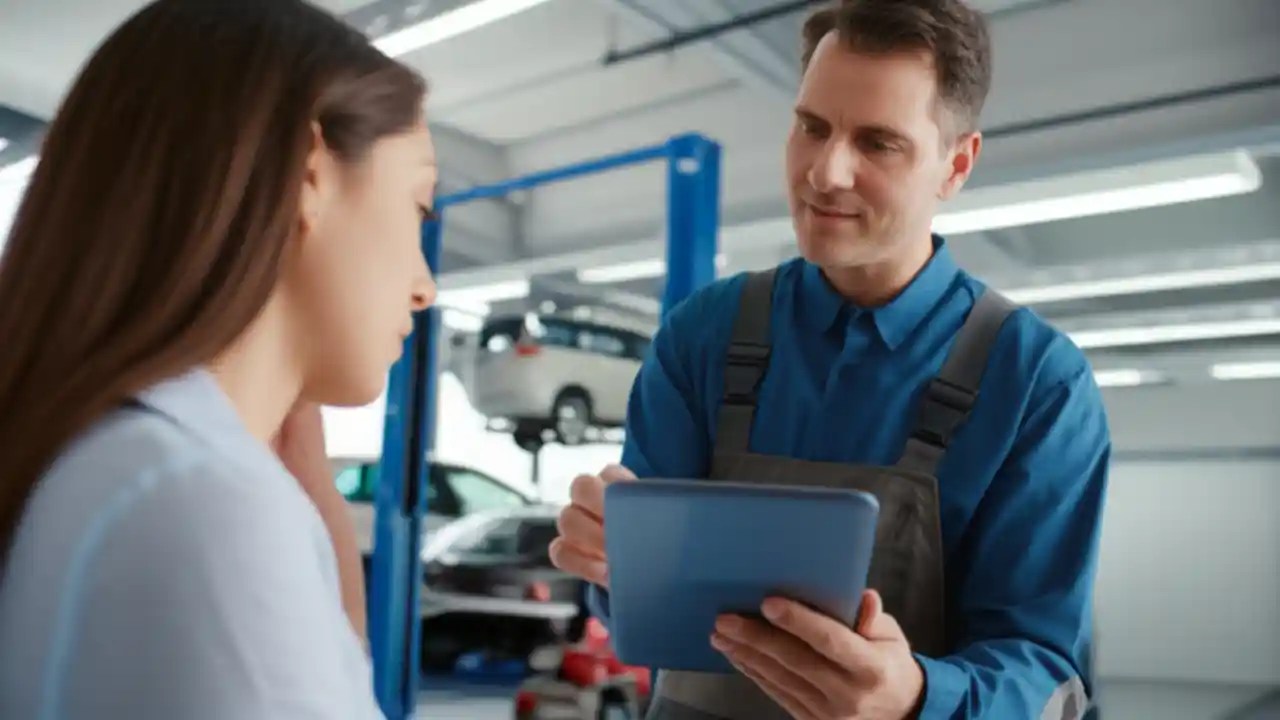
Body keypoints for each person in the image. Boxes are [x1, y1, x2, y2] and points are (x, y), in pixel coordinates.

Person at [549, 1, 1110, 719]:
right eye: (812, 127)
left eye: (877, 143)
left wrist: (917, 699)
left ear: (956, 165)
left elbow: (1046, 672)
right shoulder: (701, 337)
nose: (824, 172)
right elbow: (637, 595)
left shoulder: (1037, 383)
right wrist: (608, 559)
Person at [0, 0, 436, 717]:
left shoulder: (122, 463)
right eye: (419, 207)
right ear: (309, 174)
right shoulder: (205, 501)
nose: (426, 287)